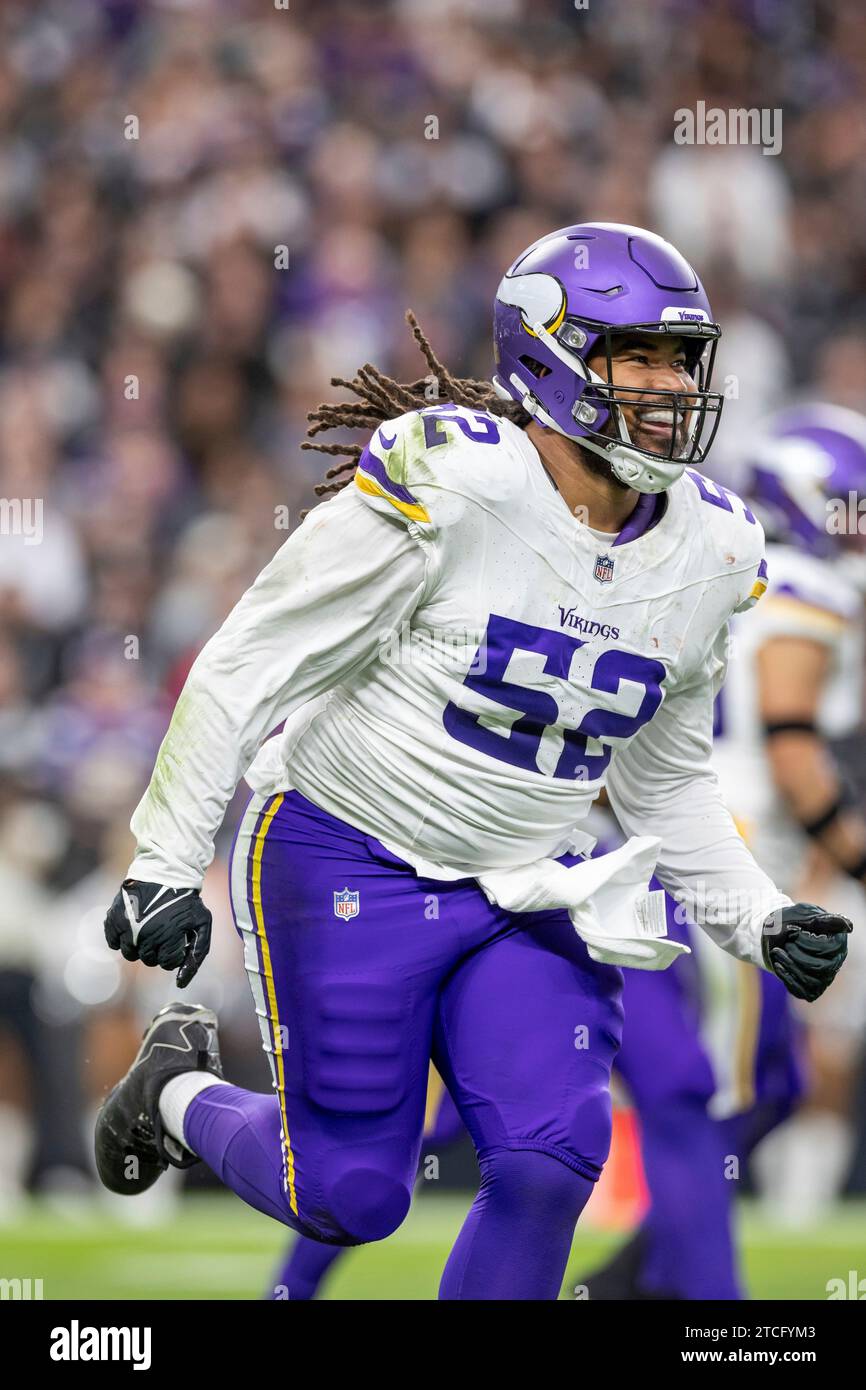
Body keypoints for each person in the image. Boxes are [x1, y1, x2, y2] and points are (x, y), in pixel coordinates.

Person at [95, 223, 850, 1301]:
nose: (667, 383)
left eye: (680, 357)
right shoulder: (453, 482)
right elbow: (248, 659)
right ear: (548, 353)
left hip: (523, 878)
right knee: (352, 1192)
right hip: (347, 852)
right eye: (633, 354)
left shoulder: (712, 548)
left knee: (551, 1161)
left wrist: (755, 913)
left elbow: (662, 778)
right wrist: (166, 855)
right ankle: (173, 1093)